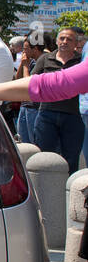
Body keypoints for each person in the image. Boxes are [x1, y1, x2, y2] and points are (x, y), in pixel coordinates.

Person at [29, 28, 84, 170]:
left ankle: (69, 190)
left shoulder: (81, 60)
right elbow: (32, 82)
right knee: (44, 157)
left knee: (71, 159)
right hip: (47, 114)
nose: (64, 42)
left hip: (73, 116)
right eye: (62, 38)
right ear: (56, 41)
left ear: (76, 44)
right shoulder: (45, 59)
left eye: (69, 39)